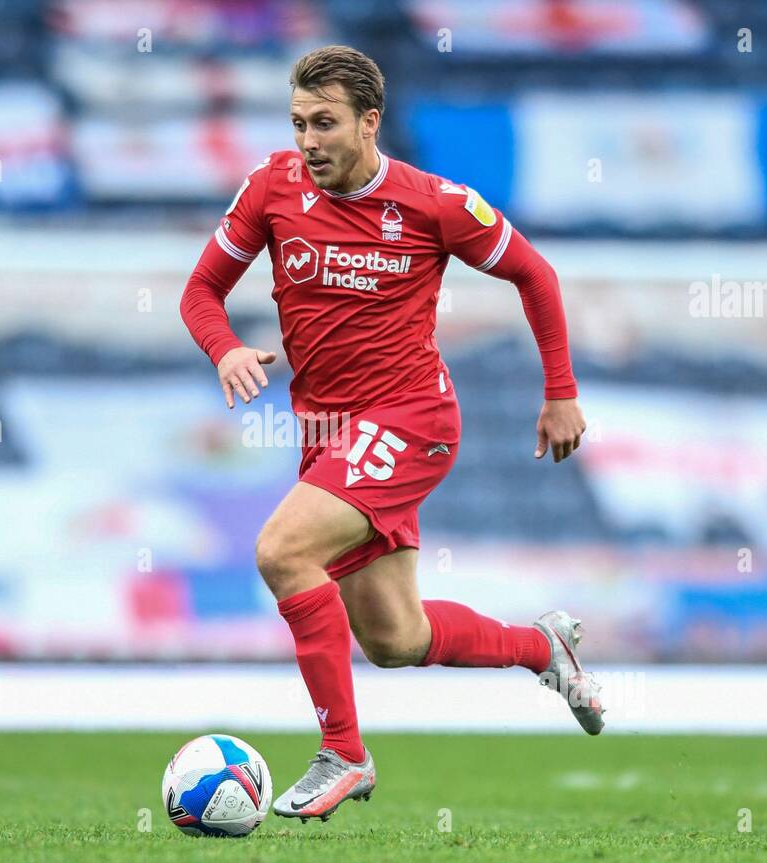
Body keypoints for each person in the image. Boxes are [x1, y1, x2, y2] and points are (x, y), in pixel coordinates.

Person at [180, 45, 604, 823]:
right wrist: (227, 348)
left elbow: (533, 274)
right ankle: (542, 648)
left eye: (327, 123)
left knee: (282, 551)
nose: (309, 141)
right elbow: (202, 291)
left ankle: (342, 751)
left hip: (412, 419)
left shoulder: (433, 202)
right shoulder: (272, 187)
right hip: (329, 434)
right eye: (299, 122)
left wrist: (561, 393)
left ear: (369, 122)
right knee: (396, 640)